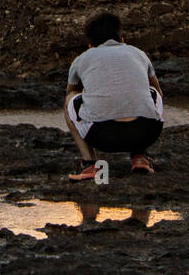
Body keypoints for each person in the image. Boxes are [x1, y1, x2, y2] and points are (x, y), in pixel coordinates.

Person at [64, 11, 164, 180]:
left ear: (90, 44)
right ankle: (139, 156)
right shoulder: (139, 53)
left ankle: (89, 164)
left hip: (101, 136)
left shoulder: (82, 59)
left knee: (70, 98)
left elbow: (70, 91)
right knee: (153, 92)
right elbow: (156, 88)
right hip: (147, 131)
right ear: (121, 38)